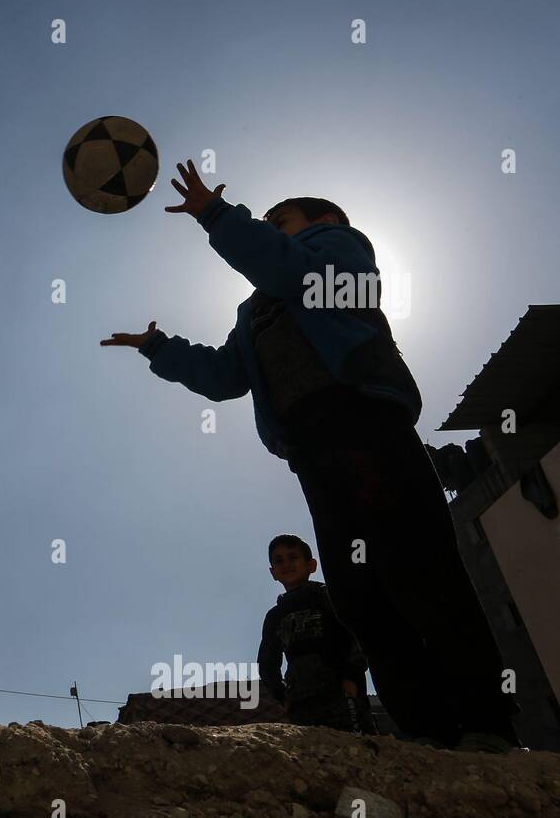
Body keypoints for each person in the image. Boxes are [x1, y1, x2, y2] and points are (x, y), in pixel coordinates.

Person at [102, 160, 520, 752]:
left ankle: (487, 725)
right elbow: (224, 375)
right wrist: (160, 348)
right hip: (311, 452)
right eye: (268, 222)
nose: (272, 227)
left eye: (283, 219)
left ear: (325, 220)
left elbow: (292, 268)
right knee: (357, 594)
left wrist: (218, 216)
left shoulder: (343, 253)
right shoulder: (253, 311)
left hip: (367, 425)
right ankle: (428, 734)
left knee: (423, 572)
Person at [257, 534, 376, 734]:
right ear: (273, 572)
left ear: (311, 565)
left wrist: (351, 676)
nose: (286, 564)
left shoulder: (329, 596)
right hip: (301, 700)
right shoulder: (275, 616)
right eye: (279, 560)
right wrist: (282, 695)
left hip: (340, 691)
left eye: (293, 557)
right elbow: (267, 661)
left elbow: (357, 635)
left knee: (359, 748)